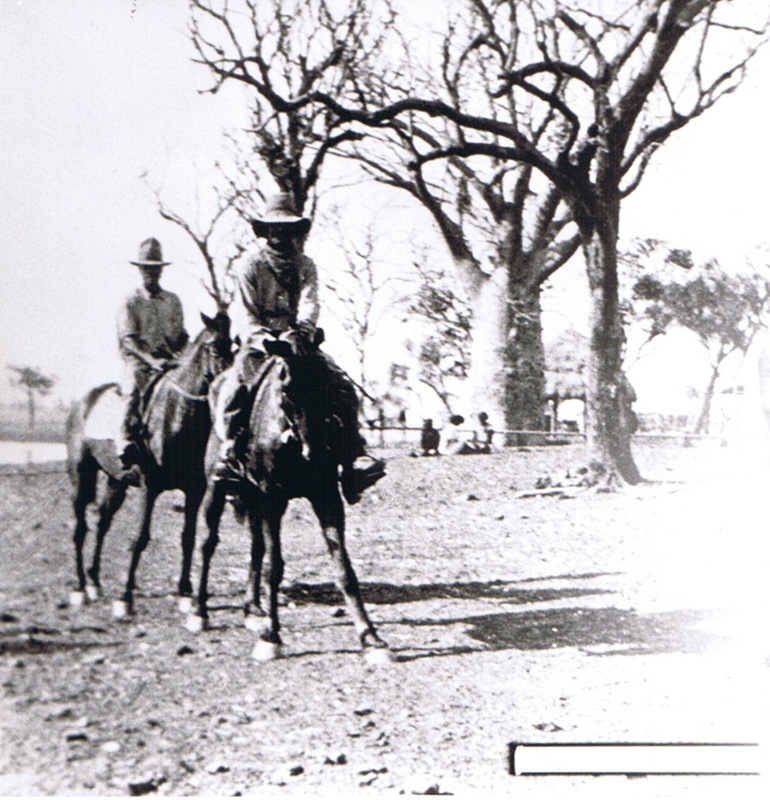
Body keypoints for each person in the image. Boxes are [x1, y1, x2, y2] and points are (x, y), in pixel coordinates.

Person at [212, 192, 385, 503]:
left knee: (342, 386)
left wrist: (301, 332)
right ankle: (228, 458)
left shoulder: (306, 265)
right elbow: (246, 310)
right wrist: (262, 337)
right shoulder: (249, 266)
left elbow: (310, 302)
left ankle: (352, 457)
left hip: (297, 340)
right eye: (275, 228)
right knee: (231, 387)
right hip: (258, 343)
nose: (281, 234)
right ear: (265, 231)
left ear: (295, 231)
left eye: (287, 228)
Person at [116, 237, 189, 475]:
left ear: (161, 270)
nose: (151, 272)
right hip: (138, 361)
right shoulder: (130, 301)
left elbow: (180, 337)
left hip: (168, 360)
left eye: (155, 268)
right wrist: (152, 361)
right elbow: (129, 340)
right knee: (132, 391)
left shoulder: (173, 301)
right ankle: (125, 441)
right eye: (147, 268)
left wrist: (186, 355)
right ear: (140, 269)